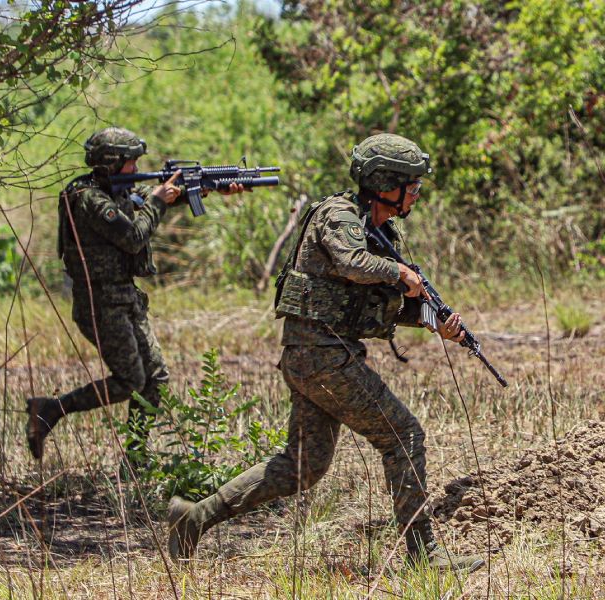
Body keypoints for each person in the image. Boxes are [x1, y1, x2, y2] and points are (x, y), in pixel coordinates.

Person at [166, 133, 485, 572]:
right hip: (322, 357)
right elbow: (355, 265)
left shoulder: (377, 230)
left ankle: (195, 517)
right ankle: (424, 555)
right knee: (404, 436)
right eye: (411, 184)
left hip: (316, 356)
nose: (416, 193)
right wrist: (399, 272)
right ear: (383, 182)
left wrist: (434, 322)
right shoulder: (339, 217)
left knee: (304, 466)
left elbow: (371, 302)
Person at [26, 127, 241, 464]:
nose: (136, 168)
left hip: (125, 297)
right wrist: (159, 200)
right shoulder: (89, 199)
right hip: (100, 303)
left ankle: (137, 457)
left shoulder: (119, 192)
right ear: (112, 163)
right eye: (131, 162)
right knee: (129, 381)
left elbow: (150, 195)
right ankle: (51, 409)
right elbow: (134, 236)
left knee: (155, 378)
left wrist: (207, 187)